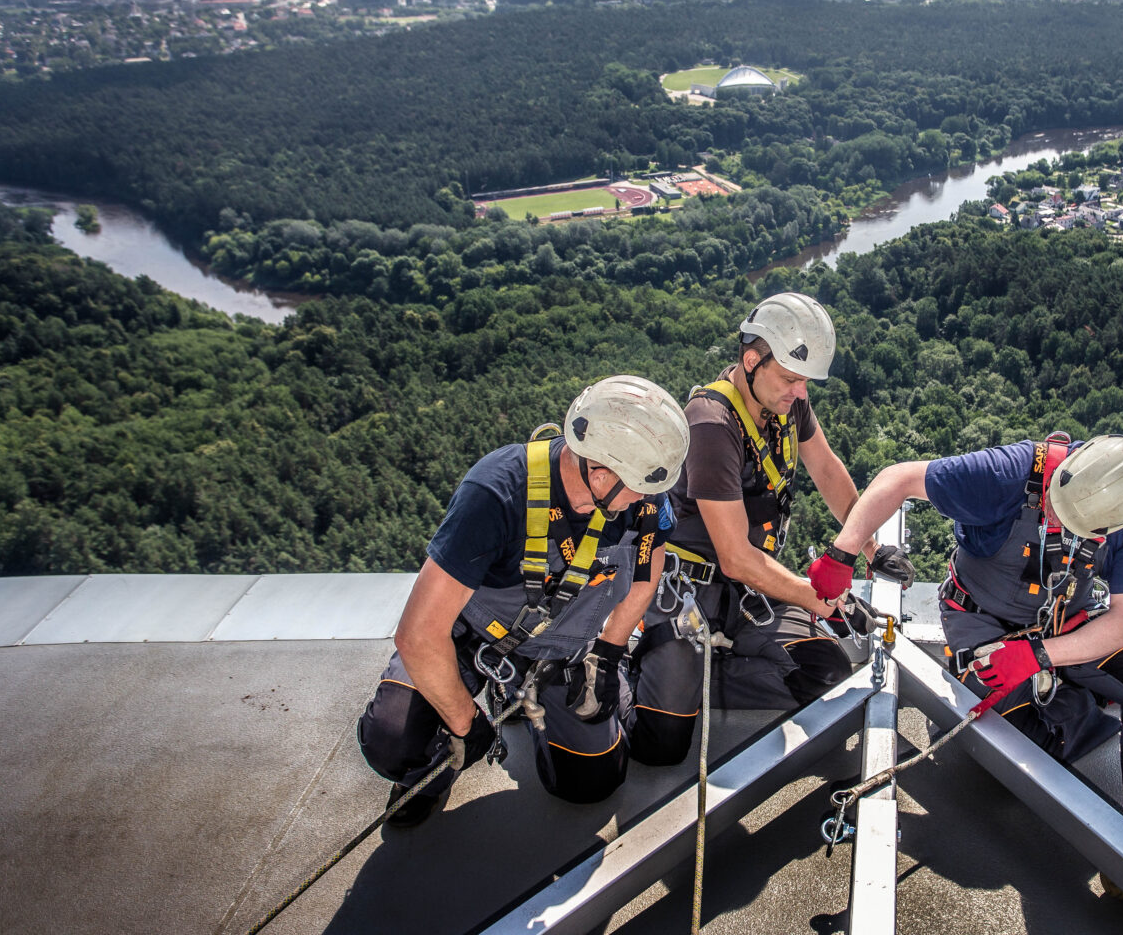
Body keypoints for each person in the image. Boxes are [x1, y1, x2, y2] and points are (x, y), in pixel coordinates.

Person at [814, 434, 1123, 880]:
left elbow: (1120, 624)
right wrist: (841, 554)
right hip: (984, 622)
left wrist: (1038, 654)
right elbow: (898, 479)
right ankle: (1084, 707)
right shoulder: (1007, 473)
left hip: (1065, 624)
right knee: (1019, 737)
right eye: (1059, 508)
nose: (1059, 521)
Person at [356, 375, 690, 825]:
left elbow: (644, 580)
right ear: (600, 471)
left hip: (565, 652)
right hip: (474, 640)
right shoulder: (499, 491)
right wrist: (463, 722)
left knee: (592, 783)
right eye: (640, 487)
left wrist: (608, 656)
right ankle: (431, 769)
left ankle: (534, 714)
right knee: (394, 739)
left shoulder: (645, 504)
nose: (649, 498)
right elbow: (419, 633)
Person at [625, 293, 914, 766]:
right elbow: (735, 555)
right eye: (789, 379)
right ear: (751, 360)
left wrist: (869, 545)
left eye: (803, 381)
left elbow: (826, 469)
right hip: (689, 594)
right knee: (662, 745)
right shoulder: (712, 424)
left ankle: (711, 669)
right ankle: (658, 672)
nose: (799, 392)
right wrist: (809, 595)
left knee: (825, 671)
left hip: (747, 591)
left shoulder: (785, 401)